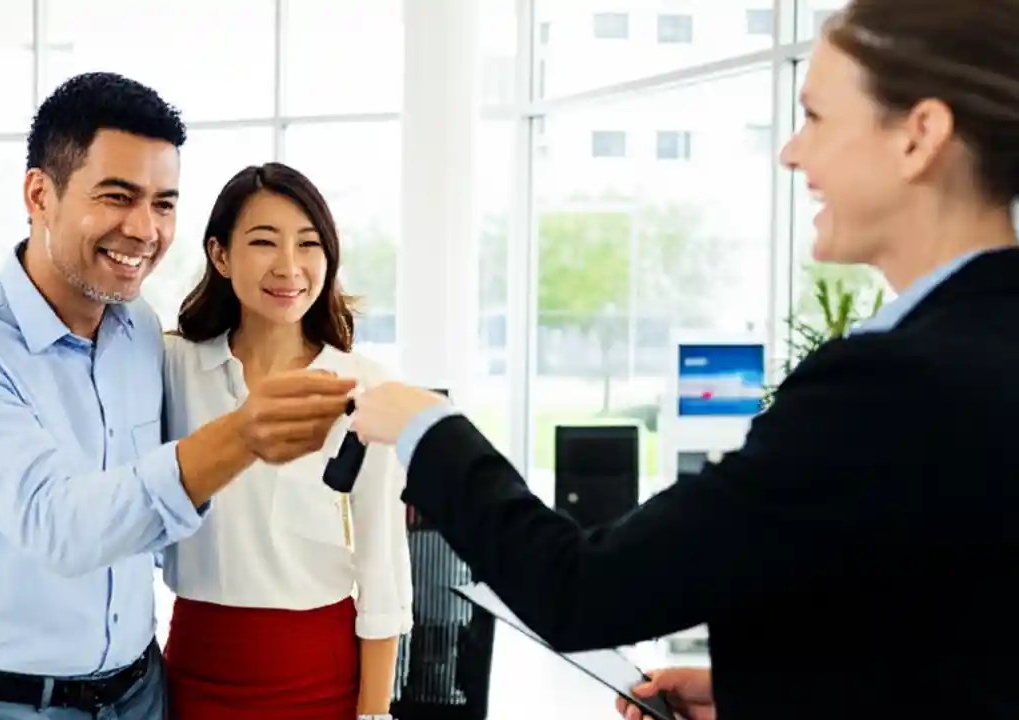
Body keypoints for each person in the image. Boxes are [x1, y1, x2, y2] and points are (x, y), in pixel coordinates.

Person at [348, 1, 1019, 717]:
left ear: (919, 136)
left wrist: (427, 426)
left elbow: (582, 589)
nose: (791, 151)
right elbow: (956, 636)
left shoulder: (883, 388)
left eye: (817, 116)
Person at [0, 74, 355, 719]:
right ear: (40, 194)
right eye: (118, 197)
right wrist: (242, 433)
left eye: (164, 203)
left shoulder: (139, 328)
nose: (144, 229)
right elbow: (61, 526)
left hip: (140, 691)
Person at [158, 162, 413, 720]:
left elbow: (382, 568)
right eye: (264, 242)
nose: (290, 267)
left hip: (320, 678)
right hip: (196, 674)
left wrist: (373, 714)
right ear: (220, 256)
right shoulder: (173, 367)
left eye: (309, 243)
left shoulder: (362, 386)